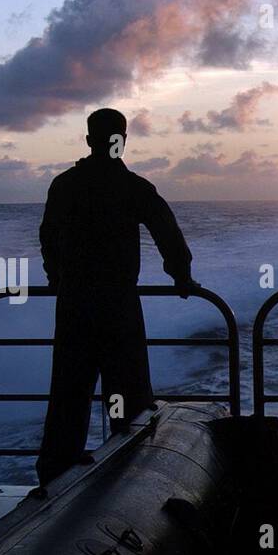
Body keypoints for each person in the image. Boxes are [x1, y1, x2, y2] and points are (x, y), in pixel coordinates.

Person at [35, 108, 195, 486]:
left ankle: (54, 478)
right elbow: (167, 233)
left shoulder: (65, 185)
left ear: (89, 140)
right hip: (118, 305)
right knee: (130, 394)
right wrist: (182, 276)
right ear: (122, 140)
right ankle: (131, 480)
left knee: (69, 395)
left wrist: (56, 277)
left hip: (74, 304)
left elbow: (48, 238)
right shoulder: (134, 188)